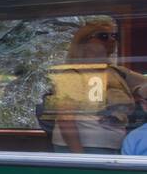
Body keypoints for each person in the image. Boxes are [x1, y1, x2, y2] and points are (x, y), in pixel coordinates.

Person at [46, 21, 147, 154]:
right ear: (84, 43)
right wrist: (79, 157)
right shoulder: (72, 74)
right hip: (85, 148)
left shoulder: (117, 72)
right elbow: (65, 120)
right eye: (103, 36)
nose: (111, 40)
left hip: (117, 145)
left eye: (114, 36)